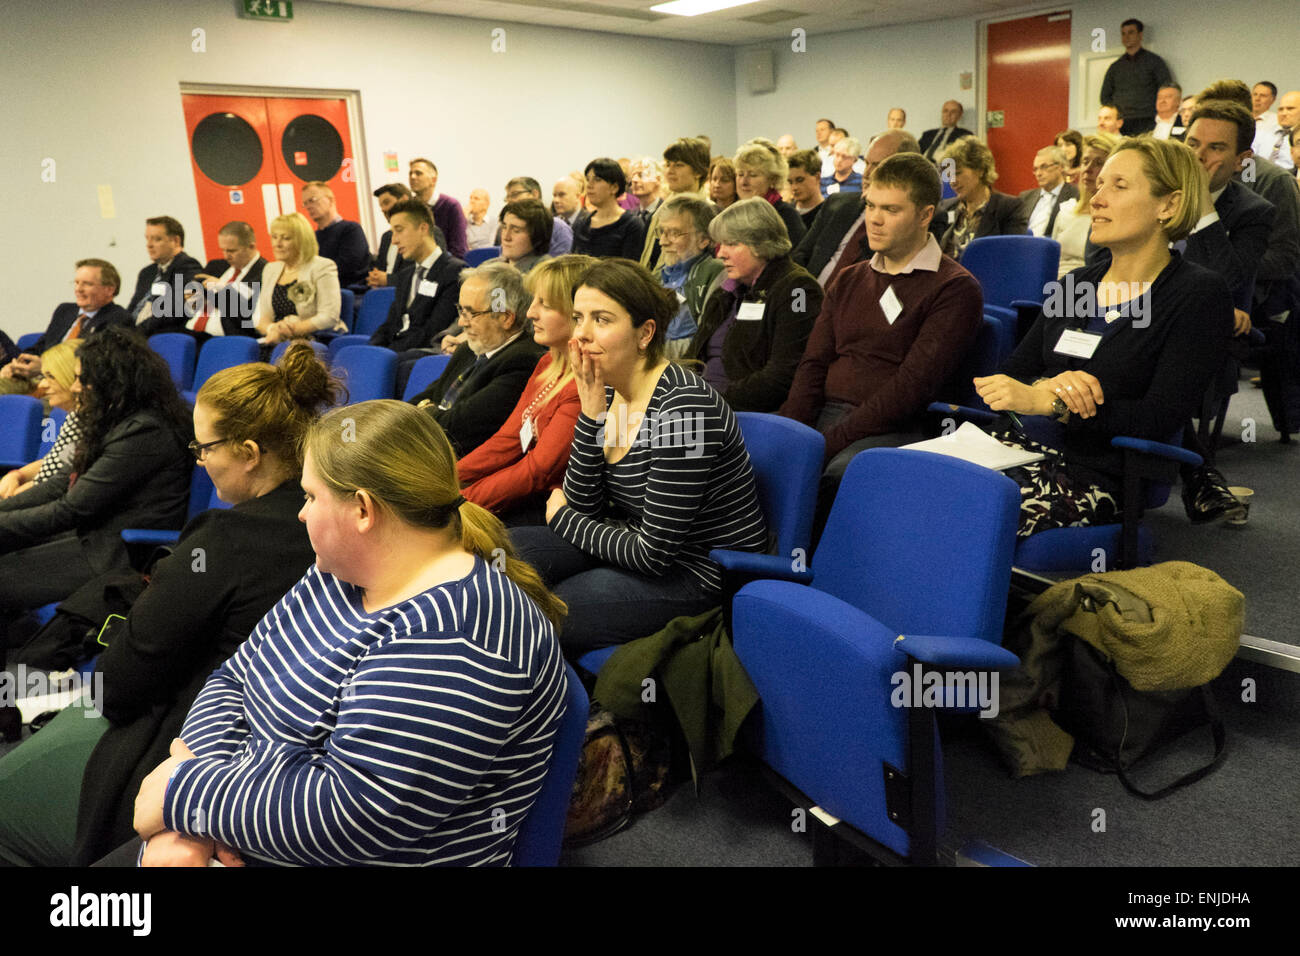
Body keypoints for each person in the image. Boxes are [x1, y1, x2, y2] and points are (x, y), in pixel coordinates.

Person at [124, 399, 568, 867]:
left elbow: (351, 814)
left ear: (361, 509)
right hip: (232, 834)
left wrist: (184, 796)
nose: (300, 514)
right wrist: (195, 824)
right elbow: (235, 680)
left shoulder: (458, 636)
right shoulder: (340, 572)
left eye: (311, 497)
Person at [0, 345, 337, 867]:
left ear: (249, 452)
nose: (200, 460)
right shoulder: (337, 529)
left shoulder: (225, 540)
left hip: (189, 759)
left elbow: (122, 683)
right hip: (277, 766)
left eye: (205, 449)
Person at [973, 137, 1232, 538]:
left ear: (1169, 205)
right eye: (1099, 184)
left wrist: (1053, 405)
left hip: (1098, 472)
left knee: (962, 515)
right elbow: (1010, 376)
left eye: (1119, 186)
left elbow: (1158, 419)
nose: (1096, 197)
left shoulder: (1198, 294)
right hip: (1013, 447)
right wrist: (1043, 388)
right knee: (904, 488)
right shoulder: (1076, 284)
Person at [511, 260, 766, 653]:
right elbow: (584, 505)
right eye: (579, 318)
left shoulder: (684, 409)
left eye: (602, 319)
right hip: (629, 541)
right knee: (505, 559)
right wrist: (592, 412)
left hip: (697, 572)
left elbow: (653, 555)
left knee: (548, 609)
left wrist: (562, 517)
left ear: (645, 333)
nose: (581, 335)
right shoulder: (609, 391)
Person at [781, 152, 982, 495]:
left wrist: (824, 444)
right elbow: (813, 364)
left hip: (893, 426)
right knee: (755, 454)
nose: (874, 219)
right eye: (871, 206)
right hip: (826, 417)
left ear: (925, 215)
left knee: (835, 475)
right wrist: (792, 432)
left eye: (890, 210)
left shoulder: (954, 288)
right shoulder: (849, 278)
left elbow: (909, 390)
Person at [0, 328, 192, 643]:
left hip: (116, 553)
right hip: (91, 536)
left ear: (110, 382)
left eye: (81, 379)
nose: (75, 387)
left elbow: (70, 509)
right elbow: (59, 485)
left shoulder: (144, 432)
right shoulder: (119, 420)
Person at [457, 255, 593, 523]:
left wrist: (460, 501)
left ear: (576, 314)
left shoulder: (584, 381)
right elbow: (507, 440)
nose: (530, 312)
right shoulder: (547, 362)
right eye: (534, 301)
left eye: (545, 304)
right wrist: (445, 479)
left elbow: (538, 471)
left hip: (557, 511)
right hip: (524, 496)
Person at [687, 198, 821, 413]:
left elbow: (782, 377)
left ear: (761, 244)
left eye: (731, 244)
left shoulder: (799, 289)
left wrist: (713, 402)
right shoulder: (727, 287)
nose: (720, 253)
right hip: (701, 402)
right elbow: (692, 355)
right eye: (721, 245)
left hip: (744, 413)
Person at [407, 261, 545, 455]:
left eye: (471, 313)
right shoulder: (469, 349)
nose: (462, 322)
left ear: (505, 317)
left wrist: (424, 410)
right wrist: (413, 411)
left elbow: (454, 428)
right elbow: (430, 394)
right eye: (461, 310)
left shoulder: (523, 361)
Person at [793, 129, 923, 283]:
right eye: (867, 163)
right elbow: (800, 257)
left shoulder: (914, 219)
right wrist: (799, 302)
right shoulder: (837, 203)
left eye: (877, 166)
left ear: (905, 172)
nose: (867, 173)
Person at [368, 199, 466, 373]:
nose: (394, 240)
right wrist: (372, 351)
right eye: (392, 232)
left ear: (423, 228)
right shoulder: (406, 275)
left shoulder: (454, 271)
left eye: (399, 230)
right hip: (397, 352)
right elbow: (391, 324)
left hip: (419, 355)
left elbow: (433, 331)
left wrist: (388, 355)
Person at [1, 260, 128, 383]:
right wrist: (17, 364)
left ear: (109, 290)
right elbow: (42, 346)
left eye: (87, 284)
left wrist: (44, 369)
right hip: (39, 381)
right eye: (76, 283)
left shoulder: (118, 319)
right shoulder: (65, 311)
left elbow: (95, 366)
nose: (78, 289)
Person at [0, 341, 81, 500]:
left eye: (50, 377)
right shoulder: (76, 417)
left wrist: (12, 497)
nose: (42, 385)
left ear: (72, 379)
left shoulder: (93, 425)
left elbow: (54, 483)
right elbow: (56, 461)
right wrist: (17, 475)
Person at [254, 212, 347, 346]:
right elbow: (264, 318)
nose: (277, 244)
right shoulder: (270, 269)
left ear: (302, 240)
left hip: (315, 338)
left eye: (285, 238)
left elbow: (329, 317)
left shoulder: (322, 266)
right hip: (278, 339)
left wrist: (288, 331)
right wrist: (272, 329)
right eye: (274, 237)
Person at [932, 136, 1029, 260]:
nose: (952, 182)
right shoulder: (946, 208)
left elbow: (1012, 257)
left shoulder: (1009, 208)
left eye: (957, 173)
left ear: (981, 170)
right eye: (949, 176)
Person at [653, 196, 724, 359]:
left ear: (704, 240)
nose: (663, 242)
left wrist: (645, 353)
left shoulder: (715, 272)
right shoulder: (656, 277)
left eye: (674, 233)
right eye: (662, 232)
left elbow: (704, 344)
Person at [1052, 133, 1122, 276]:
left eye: (1098, 163)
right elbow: (1051, 259)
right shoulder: (1066, 210)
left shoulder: (1117, 217)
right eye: (1085, 161)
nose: (1088, 169)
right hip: (1056, 285)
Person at [639, 136, 712, 270]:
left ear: (698, 171)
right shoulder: (658, 214)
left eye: (678, 165)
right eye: (668, 164)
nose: (670, 171)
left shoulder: (709, 214)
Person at [124, 217, 203, 335]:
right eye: (147, 239)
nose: (149, 245)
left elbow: (174, 311)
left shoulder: (187, 267)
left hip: (161, 335)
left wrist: (135, 333)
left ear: (176, 241)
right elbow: (133, 308)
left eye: (157, 239)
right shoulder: (147, 272)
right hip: (134, 336)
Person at [189, 221, 266, 339]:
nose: (226, 256)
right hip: (192, 332)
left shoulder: (263, 272)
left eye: (231, 251)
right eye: (223, 250)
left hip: (227, 339)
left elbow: (241, 311)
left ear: (251, 247)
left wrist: (222, 289)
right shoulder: (217, 266)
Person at [1098, 18, 1173, 136]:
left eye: (1131, 32)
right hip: (1122, 122)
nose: (1126, 37)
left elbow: (1167, 89)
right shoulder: (1115, 67)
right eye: (1123, 33)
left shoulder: (1154, 62)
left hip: (1148, 120)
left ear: (1140, 35)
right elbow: (1105, 97)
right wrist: (1116, 115)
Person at [572, 158, 647, 259]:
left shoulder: (632, 225)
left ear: (614, 187)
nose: (589, 185)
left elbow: (629, 270)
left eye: (597, 179)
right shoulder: (581, 223)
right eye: (588, 179)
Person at [733, 140, 806, 244]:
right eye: (740, 174)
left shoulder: (786, 215)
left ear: (772, 179)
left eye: (753, 175)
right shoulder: (734, 213)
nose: (743, 182)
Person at [301, 181, 369, 288]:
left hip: (350, 291)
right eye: (305, 203)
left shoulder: (351, 229)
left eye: (312, 200)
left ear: (330, 200)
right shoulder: (312, 238)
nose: (308, 206)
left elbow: (348, 266)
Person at [409, 157, 468, 259]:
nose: (413, 177)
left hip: (445, 268)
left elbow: (459, 249)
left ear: (433, 180)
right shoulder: (408, 207)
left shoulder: (451, 206)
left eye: (418, 173)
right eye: (410, 173)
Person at [500, 178, 573, 255]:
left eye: (515, 194)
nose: (510, 200)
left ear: (535, 194)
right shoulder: (507, 224)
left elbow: (560, 264)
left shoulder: (558, 227)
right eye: (507, 197)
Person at [1019, 146, 1079, 237]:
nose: (1038, 173)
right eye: (1035, 169)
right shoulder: (1025, 197)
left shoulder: (1076, 195)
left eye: (1044, 167)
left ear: (1061, 167)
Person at [367, 183, 416, 289]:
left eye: (387, 202)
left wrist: (388, 280)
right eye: (381, 206)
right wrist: (375, 276)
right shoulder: (387, 237)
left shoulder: (424, 233)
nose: (383, 209)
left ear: (404, 200)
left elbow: (422, 277)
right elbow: (380, 268)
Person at [495, 198, 554, 275]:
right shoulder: (492, 265)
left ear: (537, 236)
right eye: (504, 227)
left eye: (516, 230)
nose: (506, 237)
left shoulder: (545, 273)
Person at [787, 149, 825, 228]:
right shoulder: (786, 213)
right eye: (790, 182)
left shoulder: (828, 215)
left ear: (817, 177)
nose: (794, 187)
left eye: (800, 180)